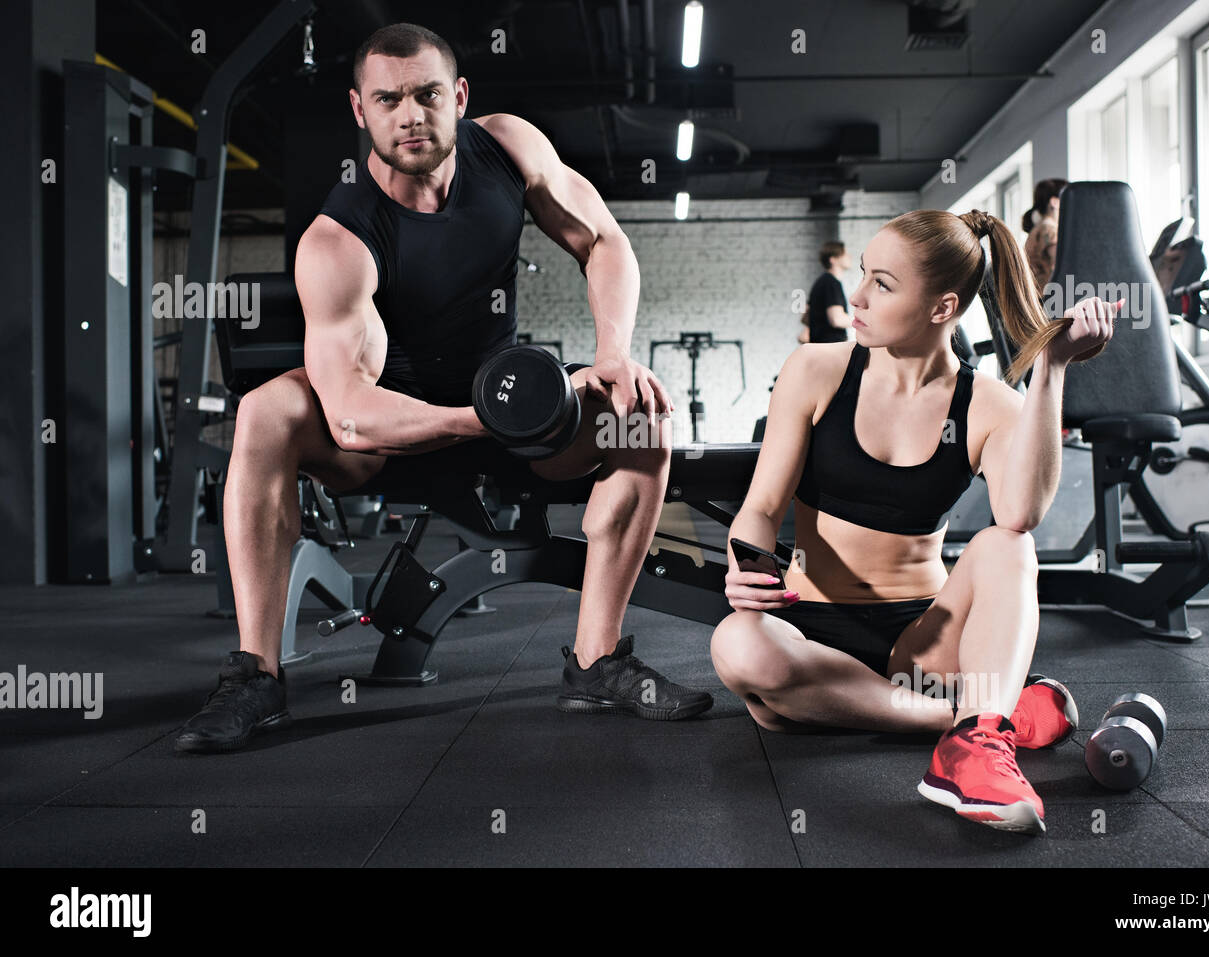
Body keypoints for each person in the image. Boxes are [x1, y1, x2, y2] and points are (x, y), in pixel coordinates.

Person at [175, 23, 713, 753]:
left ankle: (595, 661)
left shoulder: (509, 148)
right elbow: (352, 418)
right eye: (388, 98)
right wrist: (482, 418)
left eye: (427, 94)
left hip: (507, 411)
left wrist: (613, 354)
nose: (410, 115)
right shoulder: (338, 241)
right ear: (360, 111)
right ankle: (257, 677)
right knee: (268, 410)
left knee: (641, 418)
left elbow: (605, 240)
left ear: (458, 96)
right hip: (384, 435)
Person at [710, 208, 1116, 834]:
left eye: (882, 283)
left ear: (941, 307)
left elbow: (1019, 513)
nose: (858, 296)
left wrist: (1051, 371)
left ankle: (973, 747)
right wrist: (744, 565)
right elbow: (762, 508)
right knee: (736, 646)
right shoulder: (816, 370)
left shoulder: (985, 403)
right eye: (865, 273)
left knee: (1007, 546)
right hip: (806, 627)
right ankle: (970, 720)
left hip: (922, 641)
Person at [800, 241, 853, 344]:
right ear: (833, 260)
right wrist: (863, 322)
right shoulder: (831, 283)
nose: (849, 256)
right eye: (845, 254)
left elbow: (806, 316)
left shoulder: (822, 281)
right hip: (831, 348)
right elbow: (837, 319)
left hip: (822, 346)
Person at [1023, 178, 1068, 295]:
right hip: (1046, 299)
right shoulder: (1049, 229)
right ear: (1054, 202)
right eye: (1068, 198)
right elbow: (1063, 267)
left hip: (1038, 296)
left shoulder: (1040, 228)